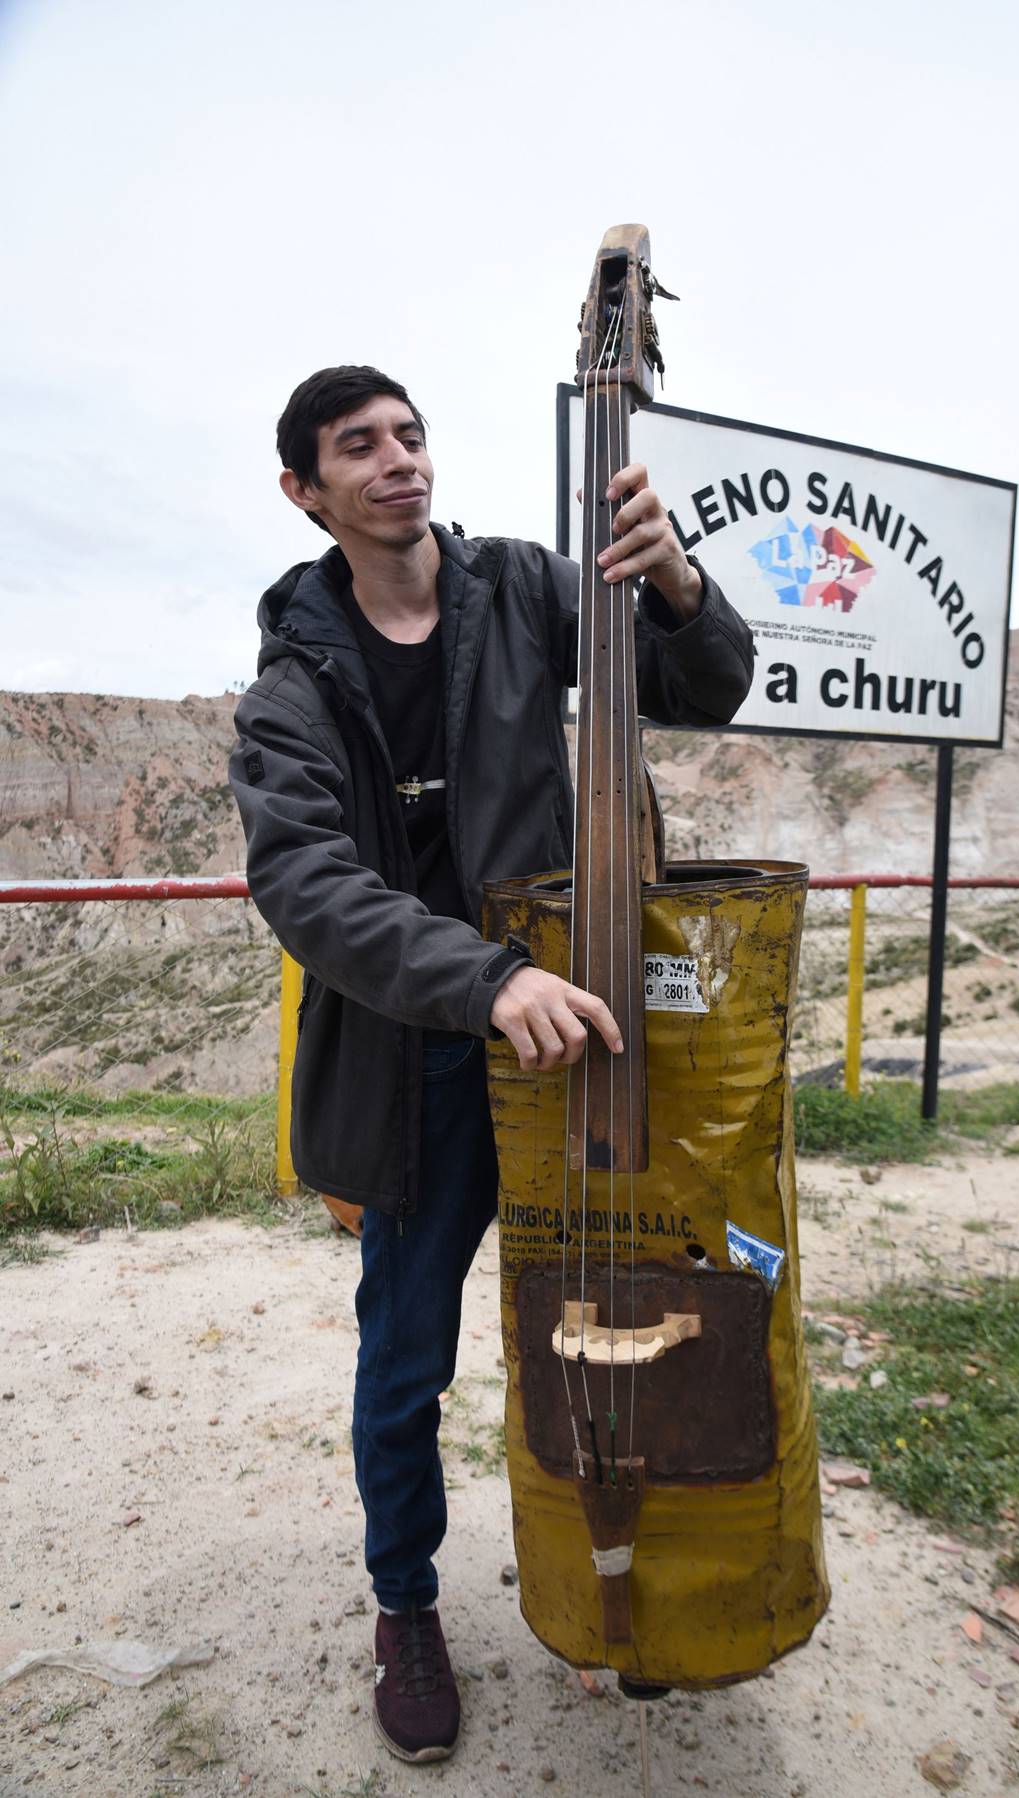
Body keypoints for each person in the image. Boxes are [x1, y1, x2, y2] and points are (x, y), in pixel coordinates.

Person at [229, 365, 753, 1765]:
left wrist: (683, 588)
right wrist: (488, 974)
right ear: (306, 489)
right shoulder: (292, 687)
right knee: (407, 1362)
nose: (400, 460)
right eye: (360, 446)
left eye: (411, 434)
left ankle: (605, 1576)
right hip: (418, 1068)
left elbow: (704, 689)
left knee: (604, 1320)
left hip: (561, 1041)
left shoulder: (523, 587)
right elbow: (306, 882)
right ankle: (407, 1604)